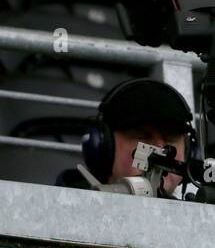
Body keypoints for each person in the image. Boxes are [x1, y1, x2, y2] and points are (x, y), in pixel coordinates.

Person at [57, 78, 195, 197]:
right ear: (103, 147)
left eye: (170, 139)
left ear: (188, 153)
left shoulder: (200, 220)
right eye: (143, 137)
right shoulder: (61, 209)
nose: (159, 149)